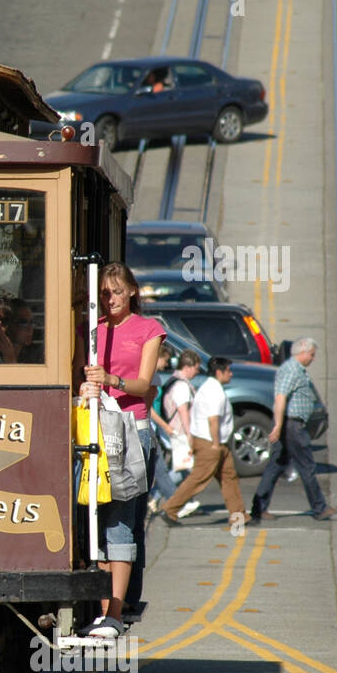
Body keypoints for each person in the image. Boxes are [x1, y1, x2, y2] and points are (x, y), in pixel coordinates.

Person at [77, 262, 164, 638]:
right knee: (94, 514)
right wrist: (84, 389)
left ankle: (115, 612)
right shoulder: (93, 332)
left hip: (133, 429)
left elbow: (144, 384)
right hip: (97, 427)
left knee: (120, 518)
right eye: (103, 293)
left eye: (115, 291)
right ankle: (103, 611)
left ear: (131, 290)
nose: (109, 298)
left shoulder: (149, 329)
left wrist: (111, 379)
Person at [250, 336, 336, 523]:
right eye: (312, 355)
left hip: (291, 424)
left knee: (275, 466)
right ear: (303, 352)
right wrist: (278, 425)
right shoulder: (291, 370)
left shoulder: (296, 369)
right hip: (292, 426)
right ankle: (319, 508)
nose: (313, 358)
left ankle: (259, 508)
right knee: (307, 466)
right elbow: (280, 398)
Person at [161, 356, 245, 525]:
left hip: (215, 442)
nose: (231, 373)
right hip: (210, 442)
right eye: (228, 370)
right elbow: (213, 419)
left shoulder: (210, 387)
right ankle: (170, 509)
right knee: (198, 479)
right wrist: (215, 444)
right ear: (219, 372)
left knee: (229, 477)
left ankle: (239, 515)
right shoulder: (214, 392)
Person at [148, 347, 202, 517]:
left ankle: (160, 498)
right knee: (176, 468)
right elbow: (180, 411)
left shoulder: (167, 379)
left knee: (172, 468)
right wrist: (184, 432)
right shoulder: (178, 384)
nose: (166, 365)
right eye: (165, 360)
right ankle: (175, 502)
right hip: (169, 430)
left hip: (160, 429)